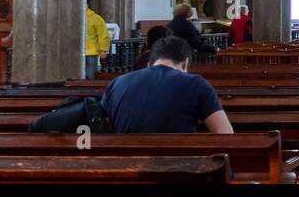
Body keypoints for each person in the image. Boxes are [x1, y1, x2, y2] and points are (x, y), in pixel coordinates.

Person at [100, 36, 233, 134]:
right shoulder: (196, 84)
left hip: (123, 166)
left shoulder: (117, 82)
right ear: (185, 63)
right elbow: (224, 134)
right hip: (178, 166)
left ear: (149, 63)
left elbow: (104, 126)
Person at [84, 0, 111, 79]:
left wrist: (103, 50)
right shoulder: (74, 18)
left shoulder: (96, 18)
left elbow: (103, 35)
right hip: (76, 53)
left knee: (90, 76)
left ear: (87, 5)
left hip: (91, 52)